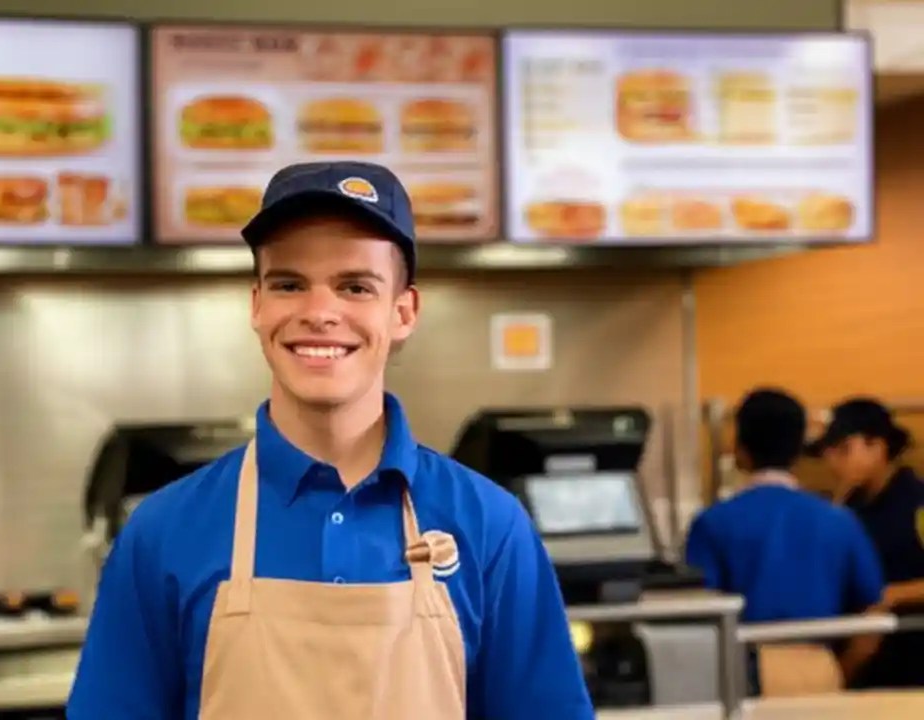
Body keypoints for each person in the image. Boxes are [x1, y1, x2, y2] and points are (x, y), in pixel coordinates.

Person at [65, 161, 592, 719]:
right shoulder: (162, 533)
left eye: (355, 287)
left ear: (403, 311)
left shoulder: (490, 527)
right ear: (257, 305)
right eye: (289, 284)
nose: (319, 313)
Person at [684, 388, 884, 691]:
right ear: (799, 448)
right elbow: (873, 613)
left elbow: (696, 615)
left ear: (740, 449)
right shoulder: (839, 521)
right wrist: (840, 672)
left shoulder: (714, 523)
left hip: (740, 672)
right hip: (821, 669)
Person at [808, 397, 924, 688]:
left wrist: (891, 595)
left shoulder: (916, 502)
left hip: (912, 654)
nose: (833, 461)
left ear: (878, 446)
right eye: (828, 452)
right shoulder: (850, 505)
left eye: (843, 450)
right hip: (864, 657)